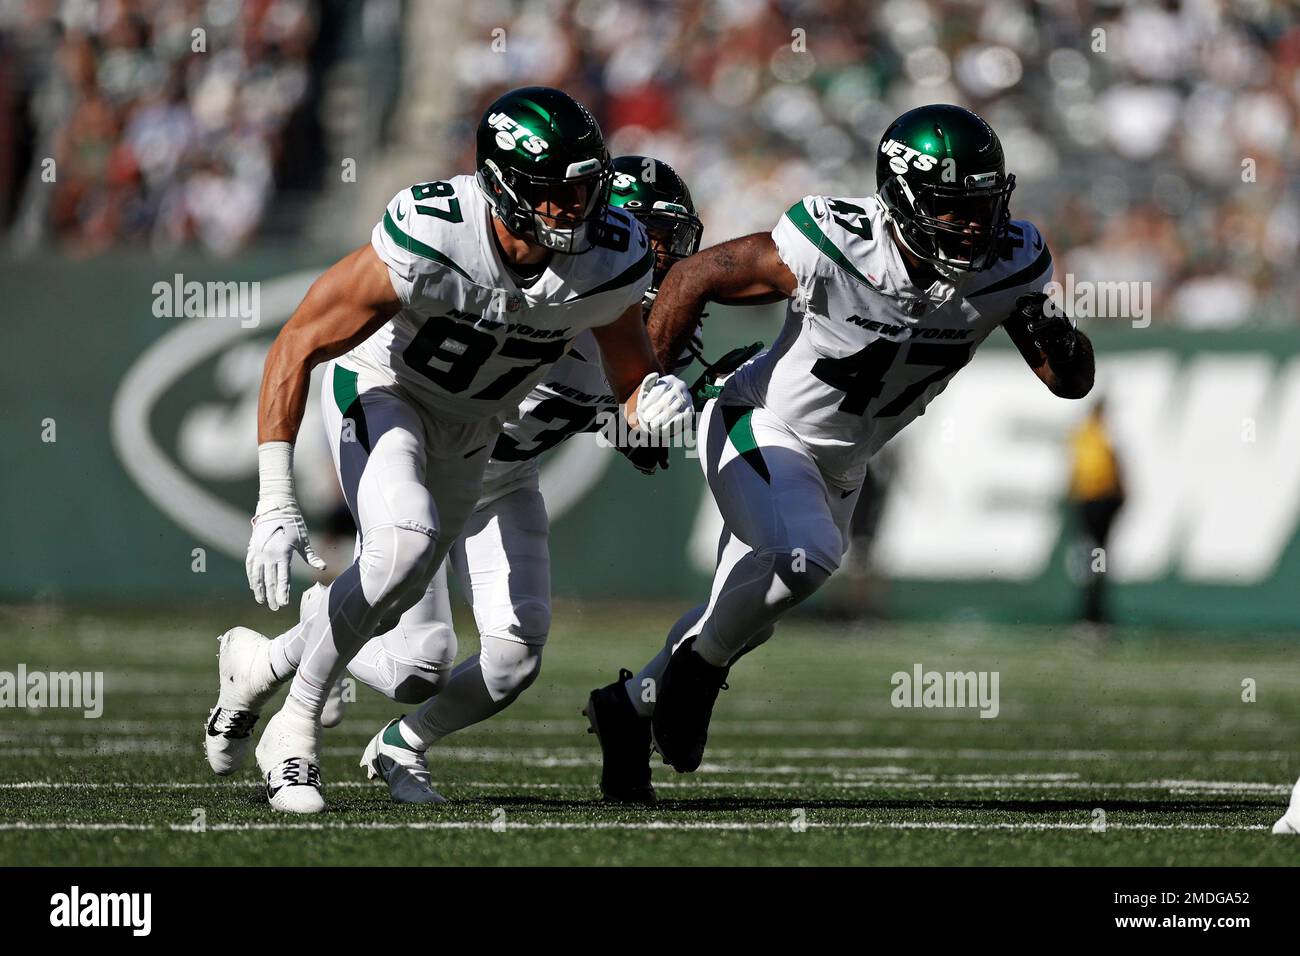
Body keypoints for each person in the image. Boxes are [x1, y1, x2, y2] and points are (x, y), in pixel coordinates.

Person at [584, 103, 1095, 802]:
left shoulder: (1012, 261)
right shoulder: (836, 240)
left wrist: (1059, 335)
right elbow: (696, 273)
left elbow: (1070, 384)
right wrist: (642, 393)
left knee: (747, 616)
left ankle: (629, 707)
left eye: (983, 205)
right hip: (762, 422)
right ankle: (695, 677)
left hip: (844, 462)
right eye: (953, 206)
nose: (975, 225)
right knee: (807, 557)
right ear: (904, 198)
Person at [202, 87, 693, 813]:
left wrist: (651, 402)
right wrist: (274, 499)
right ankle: (294, 727)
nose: (581, 210)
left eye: (588, 189)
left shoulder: (604, 264)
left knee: (463, 663)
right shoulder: (438, 229)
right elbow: (301, 338)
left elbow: (628, 379)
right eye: (559, 192)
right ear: (508, 187)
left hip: (481, 438)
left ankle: (274, 668)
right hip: (389, 390)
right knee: (404, 550)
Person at [1068, 398, 1126, 624]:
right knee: (1095, 553)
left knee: (1095, 554)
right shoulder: (1096, 434)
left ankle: (1093, 610)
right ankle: (1092, 610)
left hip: (1095, 501)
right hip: (1095, 501)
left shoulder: (1087, 434)